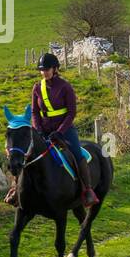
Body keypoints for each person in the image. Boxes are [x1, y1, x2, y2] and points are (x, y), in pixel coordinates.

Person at [9, 52, 99, 207]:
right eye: (42, 70)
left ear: (55, 68)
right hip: (43, 130)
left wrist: (60, 131)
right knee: (26, 155)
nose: (44, 72)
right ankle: (16, 190)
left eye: (47, 69)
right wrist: (38, 129)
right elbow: (35, 112)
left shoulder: (66, 87)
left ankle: (88, 190)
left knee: (77, 154)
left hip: (64, 130)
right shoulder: (37, 88)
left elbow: (71, 113)